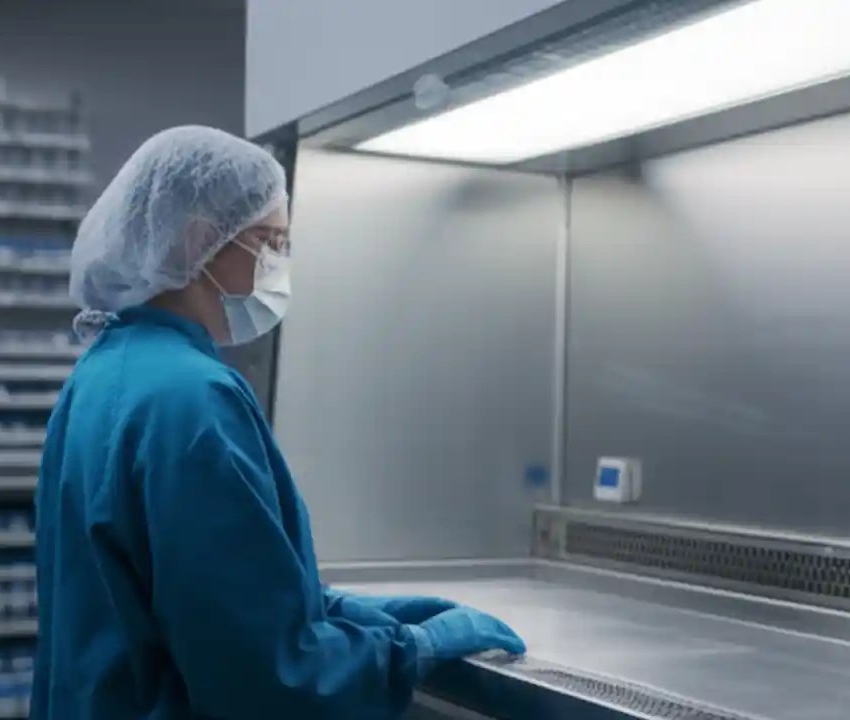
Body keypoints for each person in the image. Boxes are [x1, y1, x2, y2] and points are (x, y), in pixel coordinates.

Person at [33, 126, 525, 719]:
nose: (279, 264)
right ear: (197, 240)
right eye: (270, 242)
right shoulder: (193, 399)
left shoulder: (103, 375)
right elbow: (268, 675)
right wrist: (410, 651)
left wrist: (338, 612)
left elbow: (197, 593)